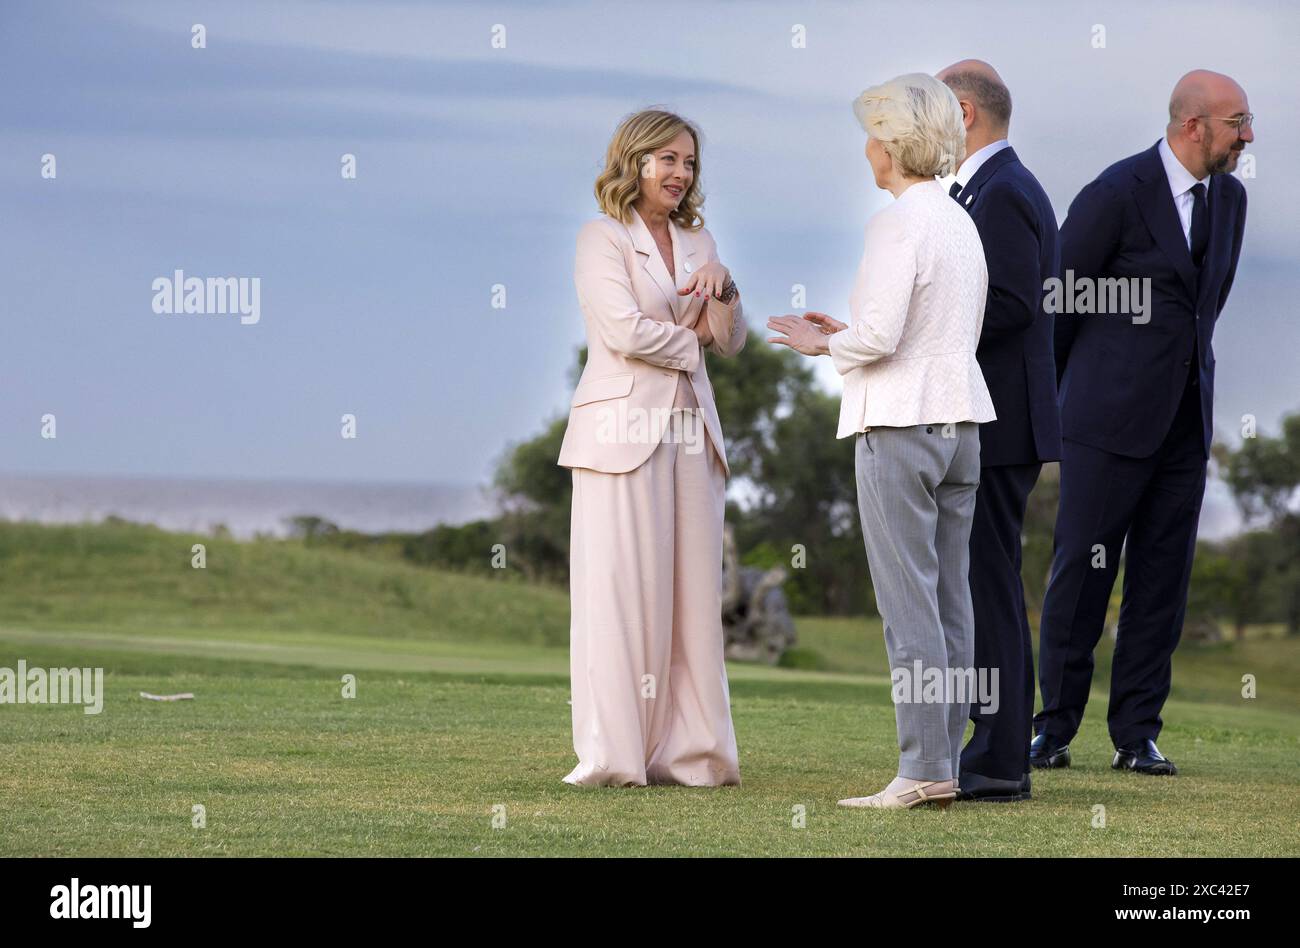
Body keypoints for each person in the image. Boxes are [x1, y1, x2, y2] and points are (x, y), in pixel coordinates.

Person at [768, 73, 993, 809]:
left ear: (893, 144)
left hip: (899, 424)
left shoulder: (896, 221)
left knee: (909, 608)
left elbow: (883, 335)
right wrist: (852, 337)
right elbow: (931, 328)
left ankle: (922, 768)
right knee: (950, 601)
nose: (866, 148)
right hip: (960, 426)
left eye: (872, 134)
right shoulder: (960, 219)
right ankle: (944, 765)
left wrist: (816, 344)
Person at [1034, 70, 1251, 775]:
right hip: (1104, 425)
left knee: (1163, 581)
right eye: (1237, 124)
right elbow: (1058, 303)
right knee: (1083, 576)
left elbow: (1204, 306)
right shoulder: (1114, 193)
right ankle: (1053, 729)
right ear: (1195, 127)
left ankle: (1136, 734)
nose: (1247, 138)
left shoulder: (1232, 201)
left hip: (1187, 428)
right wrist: (1056, 409)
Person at [558, 108, 748, 787]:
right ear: (634, 160)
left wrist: (723, 289)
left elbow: (732, 340)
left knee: (694, 598)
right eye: (667, 158)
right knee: (621, 596)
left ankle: (695, 755)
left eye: (689, 162)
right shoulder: (600, 238)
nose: (680, 172)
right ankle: (615, 757)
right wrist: (691, 337)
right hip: (619, 435)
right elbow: (623, 332)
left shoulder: (701, 241)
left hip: (693, 430)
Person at [936, 60, 1062, 803]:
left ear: (961, 112)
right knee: (989, 583)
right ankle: (998, 747)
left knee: (989, 586)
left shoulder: (1004, 191)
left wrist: (921, 334)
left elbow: (1011, 303)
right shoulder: (989, 186)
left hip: (1001, 421)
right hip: (998, 415)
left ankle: (998, 757)